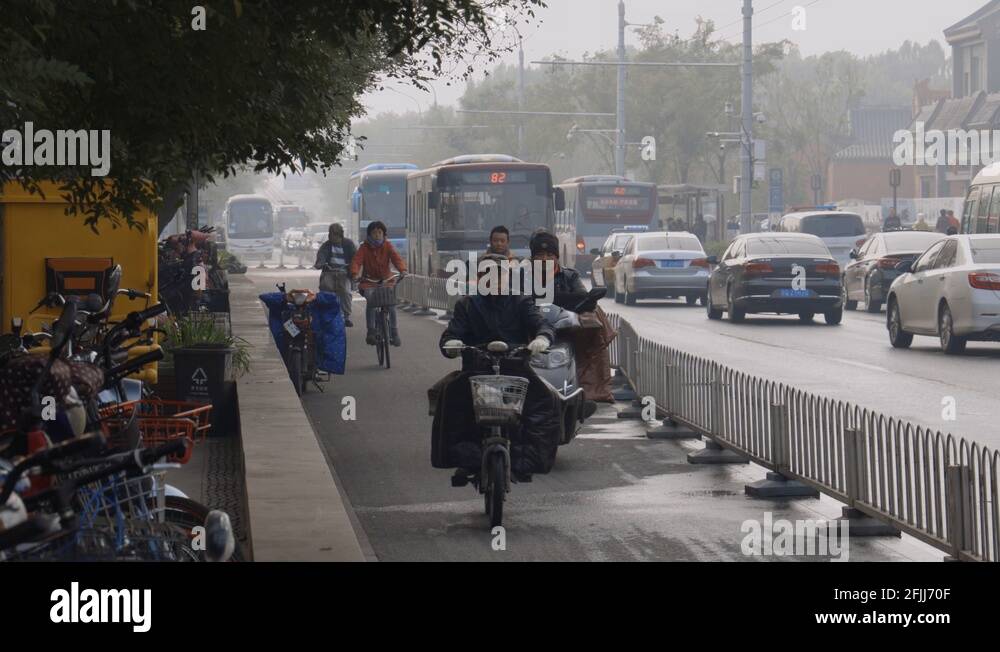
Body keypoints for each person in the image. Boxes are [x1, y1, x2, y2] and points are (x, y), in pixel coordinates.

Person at [434, 255, 559, 480]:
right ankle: (464, 458)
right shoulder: (467, 304)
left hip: (515, 368)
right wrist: (451, 344)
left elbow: (542, 323)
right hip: (477, 368)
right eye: (487, 273)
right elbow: (452, 333)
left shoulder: (521, 301)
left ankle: (527, 460)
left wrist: (542, 338)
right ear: (480, 277)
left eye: (499, 273)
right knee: (449, 397)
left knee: (545, 400)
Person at [530, 231, 617, 403]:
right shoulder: (522, 276)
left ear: (556, 257)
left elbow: (585, 300)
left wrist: (554, 298)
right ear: (533, 258)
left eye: (549, 255)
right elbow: (521, 300)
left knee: (595, 332)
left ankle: (593, 389)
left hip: (566, 327)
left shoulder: (570, 275)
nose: (545, 259)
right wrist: (564, 298)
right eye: (540, 255)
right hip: (532, 327)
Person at [350, 221, 407, 347]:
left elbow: (396, 258)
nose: (377, 235)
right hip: (368, 282)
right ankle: (371, 331)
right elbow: (356, 261)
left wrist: (402, 270)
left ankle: (394, 333)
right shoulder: (364, 247)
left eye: (379, 232)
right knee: (371, 303)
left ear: (384, 234)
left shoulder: (388, 246)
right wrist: (354, 274)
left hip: (386, 281)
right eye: (374, 232)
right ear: (369, 234)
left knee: (391, 306)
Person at [315, 223, 357, 327]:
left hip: (344, 273)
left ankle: (346, 316)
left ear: (340, 235)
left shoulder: (349, 244)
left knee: (346, 292)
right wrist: (320, 263)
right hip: (329, 272)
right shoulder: (326, 245)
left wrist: (353, 268)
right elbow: (321, 255)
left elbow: (355, 258)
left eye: (335, 235)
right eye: (331, 234)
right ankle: (324, 314)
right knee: (325, 291)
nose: (332, 237)